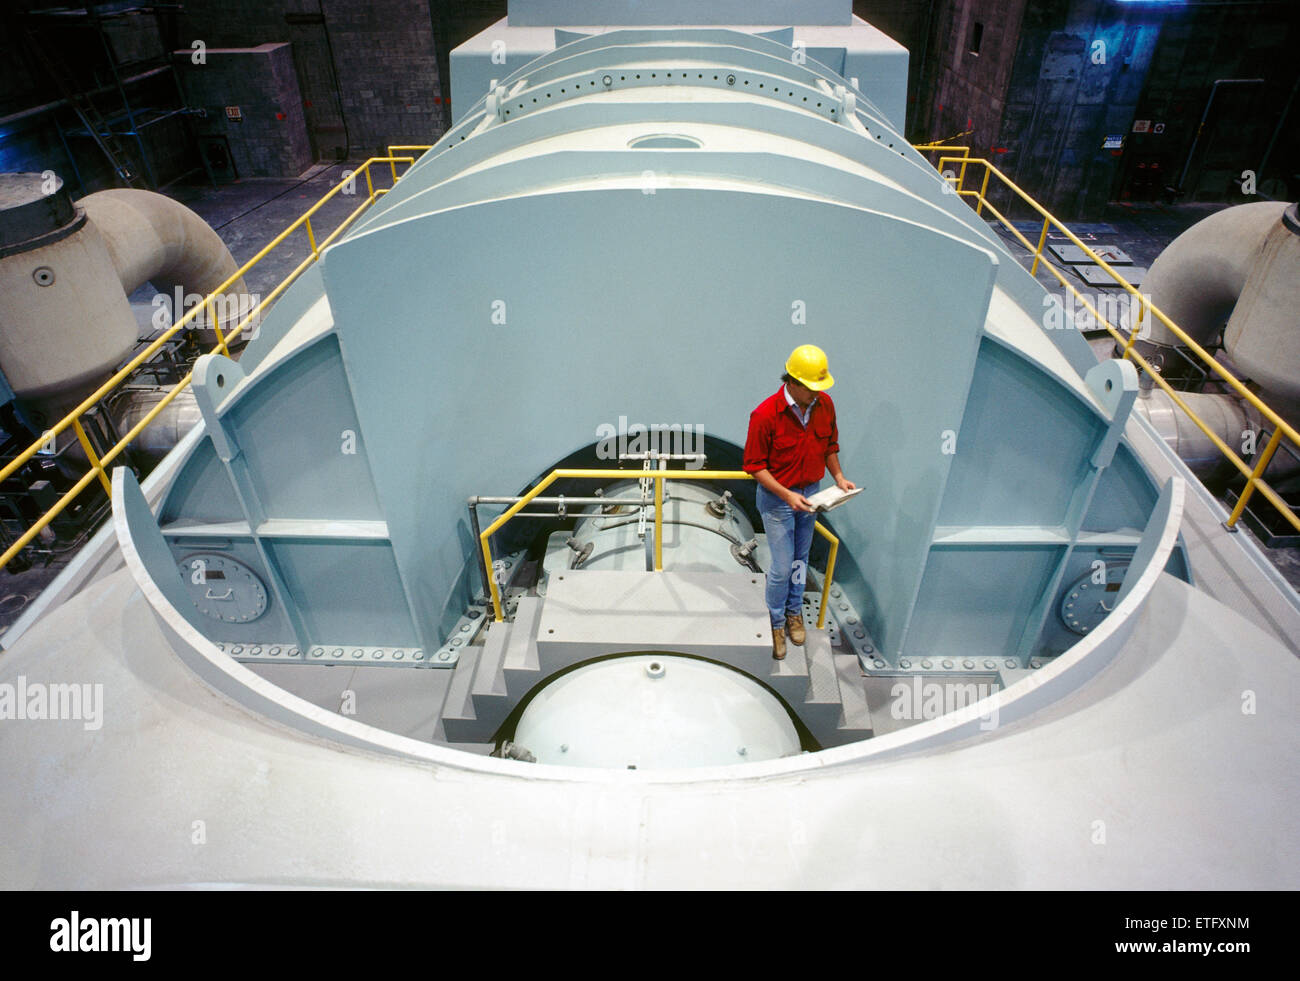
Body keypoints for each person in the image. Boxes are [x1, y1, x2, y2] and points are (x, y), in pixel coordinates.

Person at [742, 344, 855, 659]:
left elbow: (829, 445)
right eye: (812, 387)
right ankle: (777, 620)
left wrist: (839, 478)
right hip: (779, 500)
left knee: (799, 561)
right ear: (793, 381)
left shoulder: (824, 404)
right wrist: (786, 494)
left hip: (812, 494)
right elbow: (754, 466)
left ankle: (794, 612)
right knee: (780, 566)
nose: (817, 393)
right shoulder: (765, 415)